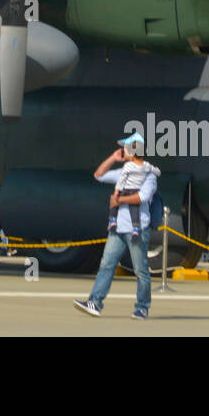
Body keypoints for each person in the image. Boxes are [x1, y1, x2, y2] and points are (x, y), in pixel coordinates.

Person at [74, 132, 160, 320]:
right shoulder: (124, 172)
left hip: (138, 229)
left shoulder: (149, 175)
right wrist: (113, 158)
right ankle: (95, 302)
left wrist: (118, 200)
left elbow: (142, 197)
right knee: (106, 264)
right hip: (118, 228)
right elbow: (99, 175)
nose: (123, 150)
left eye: (126, 147)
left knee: (140, 269)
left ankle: (143, 306)